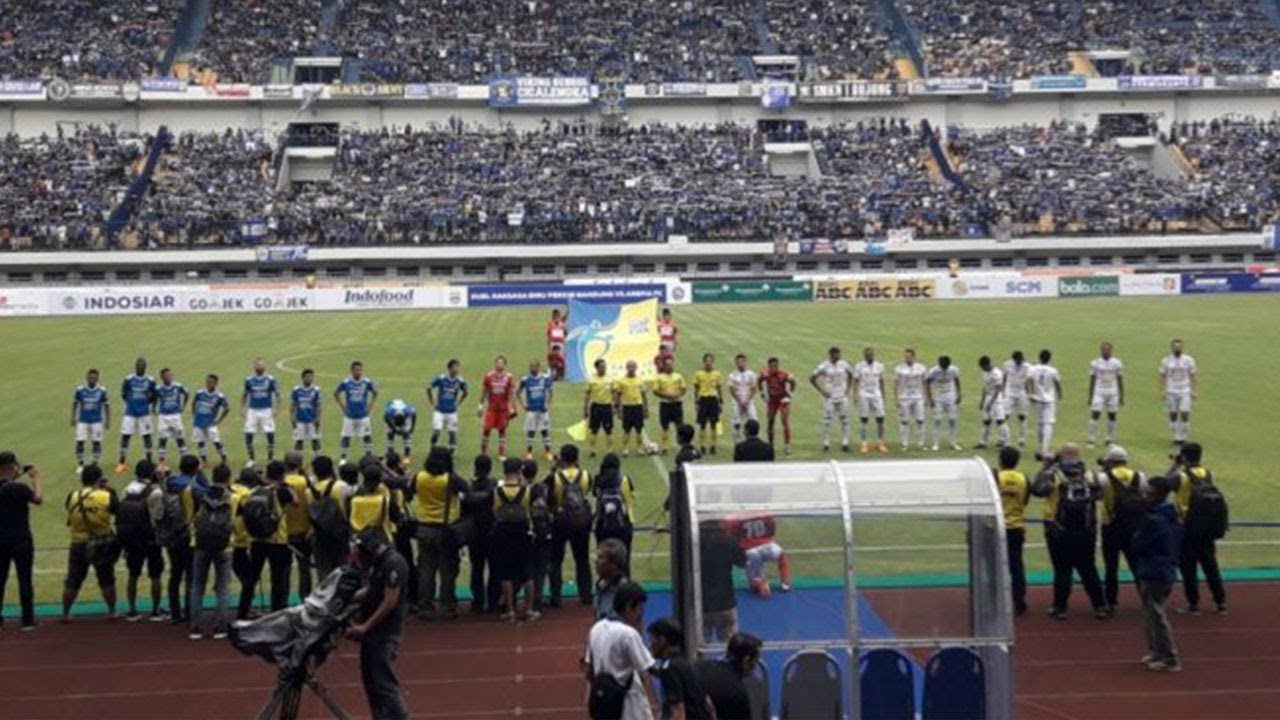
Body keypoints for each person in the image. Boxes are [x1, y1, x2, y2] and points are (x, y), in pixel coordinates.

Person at [1031, 443, 1107, 620]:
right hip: (1086, 530)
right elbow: (1100, 494)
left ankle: (1060, 607)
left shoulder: (1054, 474)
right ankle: (1100, 605)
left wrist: (1046, 466)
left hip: (1057, 529)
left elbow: (1037, 490)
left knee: (1062, 569)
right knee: (1088, 568)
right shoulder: (1089, 474)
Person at [348, 528, 410, 720]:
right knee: (371, 682)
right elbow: (372, 589)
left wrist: (365, 627)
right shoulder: (378, 562)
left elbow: (390, 601)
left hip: (385, 633)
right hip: (373, 633)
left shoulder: (394, 563)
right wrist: (347, 598)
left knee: (384, 683)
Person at [1129, 475, 1183, 672]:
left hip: (1156, 569)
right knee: (1150, 613)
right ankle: (1157, 651)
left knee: (1156, 614)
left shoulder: (1155, 520)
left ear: (1158, 495)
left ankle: (1169, 657)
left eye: (1149, 492)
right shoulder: (1169, 515)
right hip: (1160, 566)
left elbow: (1138, 544)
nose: (1145, 496)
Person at [584, 581, 660, 720]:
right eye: (639, 609)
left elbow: (588, 667)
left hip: (603, 700)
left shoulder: (596, 628)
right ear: (628, 606)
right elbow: (648, 668)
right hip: (628, 704)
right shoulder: (628, 634)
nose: (641, 614)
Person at [1167, 442, 1227, 615]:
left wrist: (1175, 465)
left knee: (1189, 567)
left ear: (1184, 456)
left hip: (1187, 527)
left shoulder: (1180, 476)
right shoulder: (1207, 474)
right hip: (1206, 526)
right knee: (1210, 565)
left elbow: (1163, 483)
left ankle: (1193, 604)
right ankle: (1220, 602)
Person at [413, 447, 468, 620]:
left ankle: (425, 606)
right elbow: (467, 489)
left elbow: (411, 490)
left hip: (423, 528)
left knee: (426, 570)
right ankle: (447, 606)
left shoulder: (419, 477)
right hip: (445, 530)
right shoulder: (450, 479)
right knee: (448, 571)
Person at [152, 455, 207, 625]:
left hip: (170, 534)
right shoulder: (193, 487)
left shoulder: (170, 481)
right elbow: (209, 495)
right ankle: (191, 613)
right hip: (188, 534)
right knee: (192, 575)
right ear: (195, 469)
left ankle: (175, 612)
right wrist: (202, 477)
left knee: (175, 574)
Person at [237, 460, 296, 616]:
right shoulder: (282, 491)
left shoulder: (254, 492)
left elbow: (241, 511)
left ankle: (243, 611)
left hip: (256, 540)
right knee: (279, 580)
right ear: (282, 475)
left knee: (251, 579)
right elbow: (295, 502)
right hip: (278, 541)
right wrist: (286, 485)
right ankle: (277, 613)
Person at [62, 464, 119, 621]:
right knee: (107, 578)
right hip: (101, 542)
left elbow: (69, 510)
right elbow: (117, 511)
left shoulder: (72, 496)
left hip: (78, 542)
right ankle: (112, 611)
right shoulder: (106, 496)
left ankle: (66, 613)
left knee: (73, 579)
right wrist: (107, 490)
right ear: (99, 479)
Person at [186, 463, 236, 640]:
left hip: (201, 543)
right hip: (225, 545)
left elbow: (190, 517)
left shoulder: (199, 494)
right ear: (228, 478)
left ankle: (195, 627)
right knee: (222, 587)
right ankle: (221, 627)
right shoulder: (232, 496)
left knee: (197, 586)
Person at [1099, 446, 1146, 614]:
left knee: (1111, 566)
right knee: (1136, 564)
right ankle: (1146, 598)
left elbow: (1097, 495)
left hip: (1110, 525)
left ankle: (1111, 602)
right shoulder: (1139, 476)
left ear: (1110, 461)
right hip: (1133, 526)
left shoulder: (1104, 477)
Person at [117, 459, 165, 621]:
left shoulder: (128, 488)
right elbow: (158, 516)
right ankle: (156, 610)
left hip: (131, 536)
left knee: (133, 573)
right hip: (150, 536)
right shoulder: (156, 492)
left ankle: (132, 610)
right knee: (155, 574)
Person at [546, 444, 594, 607]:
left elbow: (549, 498)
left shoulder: (555, 477)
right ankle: (586, 595)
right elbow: (586, 492)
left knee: (555, 560)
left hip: (560, 522)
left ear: (562, 458)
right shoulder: (586, 475)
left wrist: (554, 469)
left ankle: (556, 597)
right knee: (582, 559)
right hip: (581, 522)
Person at [0, 452, 42, 631]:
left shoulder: (9, 487)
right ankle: (27, 620)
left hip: (1, 540)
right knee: (25, 580)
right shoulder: (20, 489)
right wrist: (36, 478)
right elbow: (38, 498)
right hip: (21, 539)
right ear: (11, 466)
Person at [493, 457, 538, 622]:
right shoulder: (527, 491)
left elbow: (495, 511)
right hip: (523, 532)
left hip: (504, 533)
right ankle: (528, 610)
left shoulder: (497, 491)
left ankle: (510, 611)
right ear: (520, 471)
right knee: (527, 573)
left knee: (506, 573)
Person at [649, 618, 714, 720]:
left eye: (652, 640)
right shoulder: (687, 665)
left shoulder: (669, 668)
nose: (651, 645)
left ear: (662, 640)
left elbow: (678, 714)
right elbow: (709, 705)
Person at [693, 633, 762, 720]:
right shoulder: (737, 694)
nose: (755, 668)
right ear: (746, 660)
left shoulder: (699, 667)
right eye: (755, 662)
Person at [994, 446, 1029, 615]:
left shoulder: (995, 477)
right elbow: (1026, 499)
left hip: (997, 528)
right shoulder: (1024, 478)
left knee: (995, 566)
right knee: (1016, 566)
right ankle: (1019, 602)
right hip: (1016, 527)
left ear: (1001, 460)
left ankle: (995, 601)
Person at [462, 454, 499, 613]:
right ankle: (492, 602)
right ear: (490, 468)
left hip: (474, 533)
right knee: (494, 568)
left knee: (476, 568)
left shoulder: (469, 488)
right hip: (492, 532)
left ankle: (478, 602)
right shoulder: (496, 487)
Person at [699, 519, 745, 641]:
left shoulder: (693, 541)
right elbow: (742, 562)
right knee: (730, 647)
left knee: (697, 648)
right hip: (725, 601)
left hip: (699, 602)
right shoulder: (728, 540)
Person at [725, 511, 791, 597]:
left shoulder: (735, 517)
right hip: (767, 546)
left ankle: (761, 584)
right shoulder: (765, 513)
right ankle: (785, 583)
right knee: (782, 557)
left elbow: (730, 534)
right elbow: (772, 531)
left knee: (753, 586)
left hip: (749, 551)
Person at [309, 455, 351, 578]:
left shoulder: (309, 491)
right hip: (340, 535)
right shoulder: (342, 486)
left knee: (323, 574)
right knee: (343, 571)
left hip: (319, 536)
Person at [282, 452, 315, 599]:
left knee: (283, 571)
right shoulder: (306, 482)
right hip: (304, 530)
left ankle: (281, 603)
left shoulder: (281, 482)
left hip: (283, 532)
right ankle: (305, 600)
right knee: (304, 569)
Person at [117, 357, 157, 474]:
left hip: (144, 413)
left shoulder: (150, 380)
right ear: (135, 366)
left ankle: (149, 462)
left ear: (146, 366)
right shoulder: (129, 379)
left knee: (147, 437)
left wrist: (146, 403)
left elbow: (154, 395)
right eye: (139, 365)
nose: (141, 367)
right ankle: (121, 463)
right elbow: (123, 394)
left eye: (143, 365)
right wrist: (131, 403)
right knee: (125, 436)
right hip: (130, 413)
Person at [593, 454, 636, 561]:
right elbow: (630, 499)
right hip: (624, 523)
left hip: (602, 524)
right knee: (624, 559)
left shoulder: (598, 480)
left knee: (604, 559)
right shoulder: (624, 479)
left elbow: (595, 495)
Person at [811, 346, 853, 453]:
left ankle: (845, 442)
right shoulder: (824, 366)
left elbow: (851, 374)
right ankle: (826, 443)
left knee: (845, 419)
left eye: (839, 354)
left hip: (842, 396)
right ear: (831, 355)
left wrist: (848, 389)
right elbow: (812, 378)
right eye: (836, 354)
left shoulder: (843, 364)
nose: (838, 356)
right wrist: (822, 391)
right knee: (827, 420)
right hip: (830, 397)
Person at [335, 361, 378, 464]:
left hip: (363, 415)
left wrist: (370, 406)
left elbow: (375, 393)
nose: (359, 372)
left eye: (360, 370)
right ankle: (343, 458)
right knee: (346, 436)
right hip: (349, 416)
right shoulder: (346, 382)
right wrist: (343, 407)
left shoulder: (367, 382)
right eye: (356, 370)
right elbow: (336, 393)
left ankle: (369, 457)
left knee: (367, 436)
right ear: (352, 371)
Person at [242, 358, 281, 466]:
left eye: (262, 365)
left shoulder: (270, 379)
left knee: (270, 433)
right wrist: (242, 408)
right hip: (252, 410)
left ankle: (270, 458)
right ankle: (252, 459)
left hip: (266, 410)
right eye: (258, 365)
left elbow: (277, 394)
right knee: (249, 433)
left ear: (265, 367)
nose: (260, 367)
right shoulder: (249, 379)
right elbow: (245, 394)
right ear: (254, 366)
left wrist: (276, 409)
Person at [1159, 339, 1197, 445]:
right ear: (1171, 348)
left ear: (1182, 348)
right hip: (1171, 390)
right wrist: (1163, 390)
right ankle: (1176, 436)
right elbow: (1162, 376)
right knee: (1173, 414)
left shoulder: (1189, 360)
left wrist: (1194, 390)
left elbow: (1193, 376)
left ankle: (1185, 437)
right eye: (1175, 346)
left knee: (1185, 413)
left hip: (1185, 389)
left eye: (1179, 346)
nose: (1177, 348)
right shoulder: (1166, 360)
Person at [71, 368, 110, 470]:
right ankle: (80, 464)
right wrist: (73, 417)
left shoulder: (102, 391)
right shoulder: (80, 390)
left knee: (96, 442)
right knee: (80, 442)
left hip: (97, 421)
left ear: (97, 379)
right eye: (90, 377)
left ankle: (95, 463)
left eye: (94, 378)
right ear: (87, 377)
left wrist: (107, 420)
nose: (92, 379)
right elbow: (75, 403)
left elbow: (106, 405)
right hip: (82, 421)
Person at [1027, 350, 1063, 459]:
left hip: (1037, 399)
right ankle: (1045, 448)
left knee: (1039, 423)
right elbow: (1057, 384)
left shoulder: (1033, 368)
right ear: (1050, 358)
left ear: (1039, 357)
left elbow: (1027, 380)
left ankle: (1040, 446)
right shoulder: (1053, 370)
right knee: (1048, 423)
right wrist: (1060, 394)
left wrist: (1031, 393)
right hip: (1049, 400)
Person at [428, 359, 469, 453]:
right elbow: (429, 388)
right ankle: (432, 448)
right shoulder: (441, 378)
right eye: (455, 367)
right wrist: (432, 402)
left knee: (452, 433)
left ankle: (451, 452)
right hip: (439, 411)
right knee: (436, 431)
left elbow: (466, 392)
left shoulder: (460, 381)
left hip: (452, 411)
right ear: (449, 368)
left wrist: (459, 403)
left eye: (458, 367)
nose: (457, 369)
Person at [852, 347, 888, 454]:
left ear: (874, 355)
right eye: (867, 355)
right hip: (864, 393)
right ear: (864, 356)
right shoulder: (859, 366)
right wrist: (855, 395)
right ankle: (864, 443)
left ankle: (880, 442)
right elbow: (856, 381)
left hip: (876, 393)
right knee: (864, 419)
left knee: (880, 418)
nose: (869, 357)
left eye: (871, 355)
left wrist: (883, 394)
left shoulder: (879, 366)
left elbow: (881, 381)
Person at [1088, 342, 1125, 447]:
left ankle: (1110, 439)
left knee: (1112, 415)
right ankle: (1092, 439)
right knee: (1095, 413)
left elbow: (1119, 379)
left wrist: (1121, 396)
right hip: (1099, 391)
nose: (1105, 351)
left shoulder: (1117, 363)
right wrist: (1090, 395)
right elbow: (1092, 379)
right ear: (1100, 350)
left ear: (1111, 350)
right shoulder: (1095, 363)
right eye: (1103, 349)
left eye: (1107, 349)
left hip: (1113, 392)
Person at [479, 355, 517, 459]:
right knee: (486, 429)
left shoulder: (509, 377)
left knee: (502, 430)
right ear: (495, 363)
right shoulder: (489, 376)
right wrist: (480, 405)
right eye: (497, 362)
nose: (499, 364)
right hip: (492, 408)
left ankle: (501, 453)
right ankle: (483, 452)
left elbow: (512, 393)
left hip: (503, 409)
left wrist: (513, 407)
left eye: (501, 363)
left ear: (505, 365)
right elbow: (484, 391)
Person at [154, 368, 190, 467]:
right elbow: (155, 398)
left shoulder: (178, 386)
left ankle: (185, 460)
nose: (169, 377)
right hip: (163, 416)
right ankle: (161, 461)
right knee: (162, 439)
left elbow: (187, 393)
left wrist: (183, 406)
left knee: (180, 438)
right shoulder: (158, 388)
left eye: (170, 375)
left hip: (175, 416)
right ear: (162, 377)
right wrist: (154, 408)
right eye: (166, 375)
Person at [191, 374, 230, 467]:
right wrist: (194, 414)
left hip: (210, 423)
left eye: (211, 382)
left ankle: (224, 459)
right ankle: (204, 461)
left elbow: (227, 408)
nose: (208, 384)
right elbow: (193, 402)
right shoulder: (200, 393)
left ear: (216, 383)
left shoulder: (219, 396)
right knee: (200, 442)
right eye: (207, 382)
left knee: (216, 441)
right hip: (198, 422)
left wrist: (219, 420)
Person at [651, 355, 687, 454]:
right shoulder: (660, 377)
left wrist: (677, 395)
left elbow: (683, 388)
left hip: (676, 403)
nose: (669, 367)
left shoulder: (678, 376)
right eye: (667, 365)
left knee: (679, 425)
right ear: (664, 366)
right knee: (665, 426)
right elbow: (655, 390)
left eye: (671, 365)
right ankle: (664, 446)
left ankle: (681, 445)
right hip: (665, 404)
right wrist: (666, 396)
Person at [759, 357, 795, 454]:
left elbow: (792, 381)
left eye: (776, 366)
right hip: (772, 400)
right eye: (772, 366)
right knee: (770, 421)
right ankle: (770, 445)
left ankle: (787, 446)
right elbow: (759, 380)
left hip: (783, 399)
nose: (774, 368)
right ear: (769, 366)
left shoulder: (783, 374)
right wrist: (762, 393)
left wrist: (791, 393)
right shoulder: (765, 374)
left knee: (784, 420)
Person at [926, 355, 963, 452]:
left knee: (952, 419)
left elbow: (957, 381)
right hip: (938, 397)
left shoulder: (953, 370)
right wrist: (930, 399)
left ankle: (953, 442)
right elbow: (927, 383)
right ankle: (935, 443)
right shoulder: (934, 371)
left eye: (945, 366)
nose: (944, 368)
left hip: (950, 397)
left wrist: (959, 394)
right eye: (942, 366)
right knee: (937, 420)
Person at [519, 360, 555, 460]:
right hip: (531, 409)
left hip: (542, 409)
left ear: (538, 367)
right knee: (531, 431)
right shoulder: (525, 379)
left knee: (545, 431)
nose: (532, 369)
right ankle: (529, 452)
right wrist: (523, 405)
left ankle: (548, 452)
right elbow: (517, 392)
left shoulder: (545, 378)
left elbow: (551, 392)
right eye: (531, 367)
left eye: (534, 367)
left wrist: (548, 404)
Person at [893, 348, 927, 451]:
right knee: (904, 421)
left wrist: (925, 396)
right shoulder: (899, 368)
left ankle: (920, 443)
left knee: (920, 420)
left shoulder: (921, 368)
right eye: (905, 356)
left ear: (914, 357)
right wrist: (896, 398)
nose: (907, 358)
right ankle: (905, 443)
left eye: (909, 356)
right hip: (904, 398)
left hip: (918, 397)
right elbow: (896, 384)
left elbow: (925, 382)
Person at [614, 360, 649, 457]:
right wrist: (617, 409)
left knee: (639, 429)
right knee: (626, 429)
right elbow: (618, 395)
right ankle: (625, 448)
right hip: (627, 407)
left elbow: (644, 395)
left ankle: (639, 448)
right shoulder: (621, 381)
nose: (631, 369)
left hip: (638, 406)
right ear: (626, 368)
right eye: (629, 367)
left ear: (636, 368)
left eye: (633, 367)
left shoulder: (640, 380)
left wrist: (646, 409)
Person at [693, 354, 724, 456]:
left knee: (714, 424)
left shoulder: (717, 374)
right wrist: (696, 401)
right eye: (706, 361)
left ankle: (713, 446)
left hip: (713, 399)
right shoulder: (698, 374)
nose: (708, 363)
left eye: (710, 361)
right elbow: (696, 388)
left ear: (713, 362)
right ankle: (702, 446)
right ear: (703, 362)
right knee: (702, 424)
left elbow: (719, 388)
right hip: (703, 399)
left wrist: (720, 401)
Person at [585, 358, 615, 458]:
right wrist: (585, 408)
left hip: (607, 407)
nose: (604, 368)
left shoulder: (610, 379)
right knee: (594, 429)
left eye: (604, 366)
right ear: (597, 368)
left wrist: (615, 406)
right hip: (596, 406)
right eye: (602, 367)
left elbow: (614, 393)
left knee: (608, 429)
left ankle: (609, 450)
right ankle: (592, 450)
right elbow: (587, 394)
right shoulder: (591, 379)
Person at [593, 538, 630, 621]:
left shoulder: (626, 592)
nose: (596, 561)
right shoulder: (600, 586)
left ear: (614, 564)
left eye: (600, 558)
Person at [976, 356, 1009, 449]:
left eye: (983, 367)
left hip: (997, 399)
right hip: (988, 397)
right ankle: (983, 442)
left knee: (1000, 420)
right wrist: (982, 401)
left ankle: (1004, 441)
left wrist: (991, 402)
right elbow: (985, 387)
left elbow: (998, 389)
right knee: (986, 421)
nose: (983, 369)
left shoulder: (997, 373)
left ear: (987, 364)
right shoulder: (984, 373)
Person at [290, 368, 323, 457]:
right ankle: (296, 461)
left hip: (312, 420)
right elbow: (293, 404)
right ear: (303, 378)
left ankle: (318, 459)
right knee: (299, 441)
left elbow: (318, 405)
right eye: (308, 377)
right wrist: (292, 417)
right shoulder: (296, 390)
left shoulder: (316, 390)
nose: (310, 379)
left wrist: (318, 418)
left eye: (311, 377)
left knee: (315, 440)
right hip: (300, 420)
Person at [727, 354, 758, 445]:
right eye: (738, 362)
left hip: (749, 402)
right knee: (737, 423)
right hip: (737, 402)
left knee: (753, 420)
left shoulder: (751, 374)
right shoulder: (732, 375)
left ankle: (753, 441)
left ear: (745, 362)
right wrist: (740, 401)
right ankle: (737, 442)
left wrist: (747, 400)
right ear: (736, 363)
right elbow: (731, 389)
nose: (740, 364)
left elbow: (753, 388)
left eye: (742, 362)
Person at [1002, 351, 1032, 449]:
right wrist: (1002, 391)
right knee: (1005, 415)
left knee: (1022, 417)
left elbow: (1029, 380)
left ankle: (1022, 439)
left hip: (1021, 393)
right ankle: (1005, 439)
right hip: (1010, 392)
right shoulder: (1007, 365)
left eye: (1021, 360)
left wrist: (1030, 393)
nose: (1019, 362)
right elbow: (1004, 377)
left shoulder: (1027, 367)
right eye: (1017, 360)